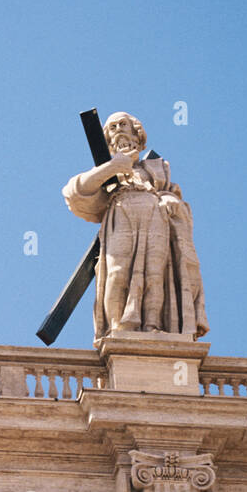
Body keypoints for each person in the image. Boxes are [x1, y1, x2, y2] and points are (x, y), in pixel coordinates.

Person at [62, 111, 208, 342]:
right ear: (107, 138)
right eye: (112, 127)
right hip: (121, 213)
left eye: (123, 124)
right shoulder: (107, 172)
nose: (119, 129)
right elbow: (74, 192)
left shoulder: (156, 169)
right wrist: (114, 167)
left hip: (155, 216)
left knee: (155, 273)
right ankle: (118, 328)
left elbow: (173, 196)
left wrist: (170, 200)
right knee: (117, 273)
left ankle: (152, 326)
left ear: (136, 133)